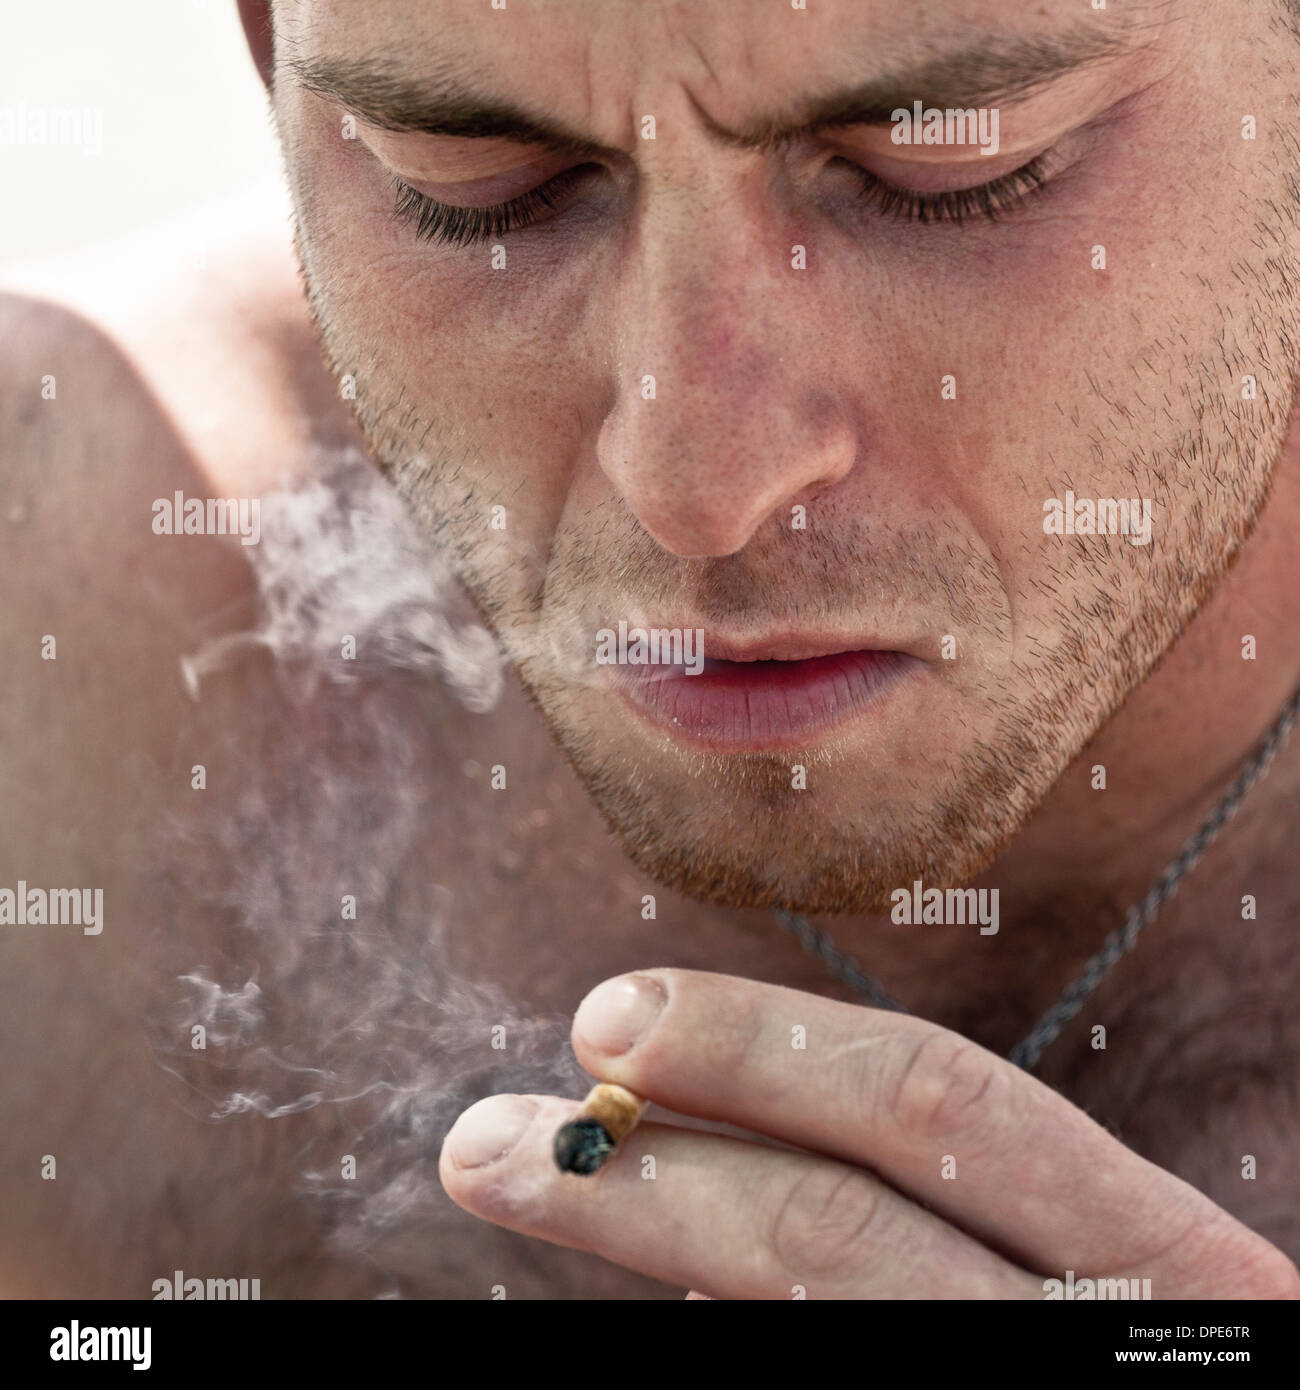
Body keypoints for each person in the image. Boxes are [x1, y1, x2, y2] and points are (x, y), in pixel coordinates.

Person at [2, 0, 1298, 1298]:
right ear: (269, 46)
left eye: (951, 174)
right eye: (474, 184)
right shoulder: (45, 603)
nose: (697, 491)